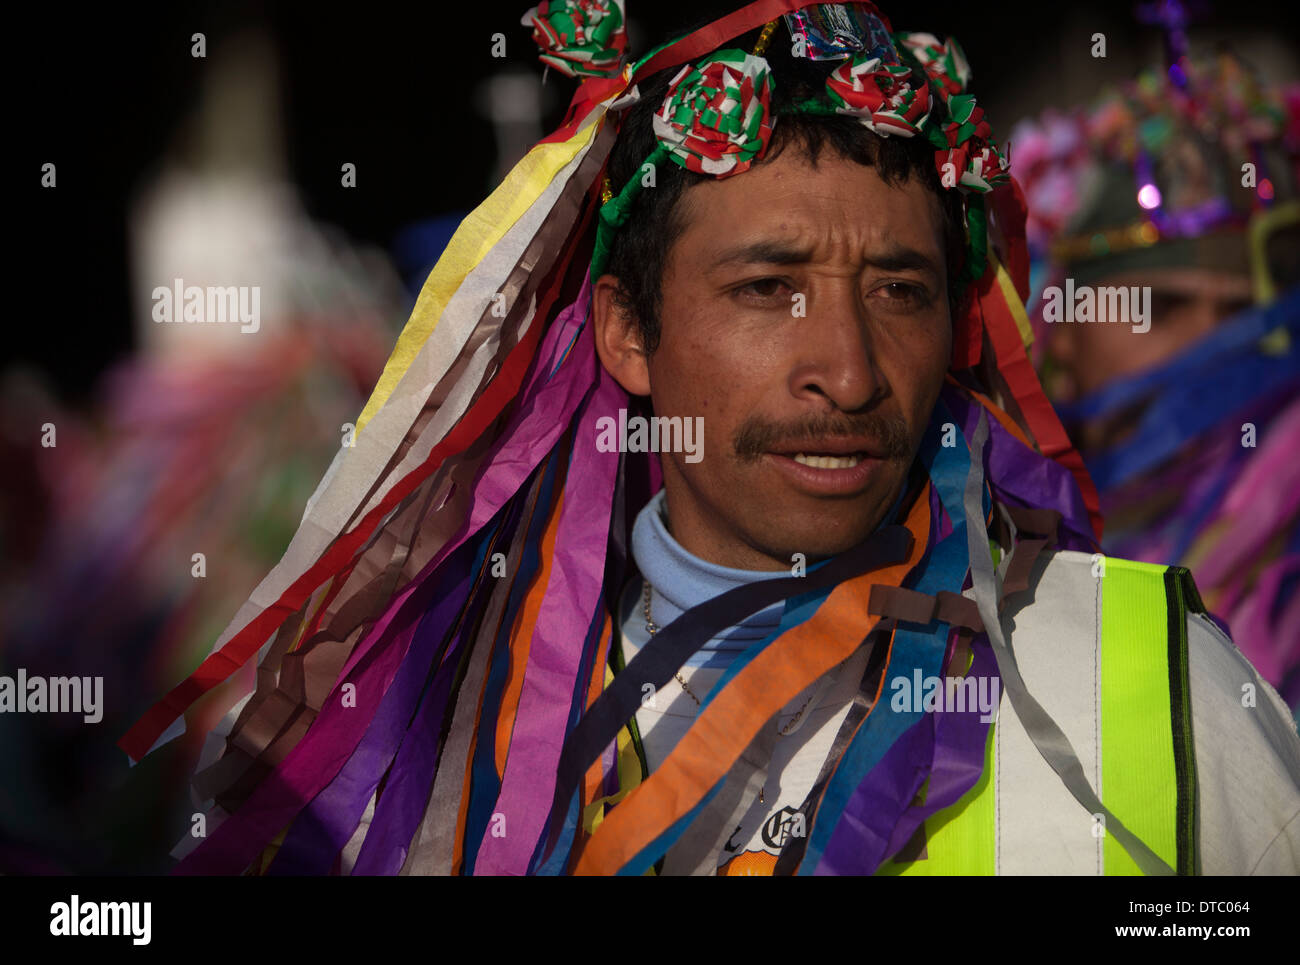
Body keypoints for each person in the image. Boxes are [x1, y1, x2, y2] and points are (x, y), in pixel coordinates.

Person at [120, 0, 1300, 875]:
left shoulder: (1152, 674)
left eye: (899, 290)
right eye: (766, 288)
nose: (848, 371)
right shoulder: (422, 745)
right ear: (627, 332)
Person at [1012, 48, 1300, 717]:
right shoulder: (973, 551)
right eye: (1160, 307)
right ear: (1059, 328)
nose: (1212, 347)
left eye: (1245, 316)